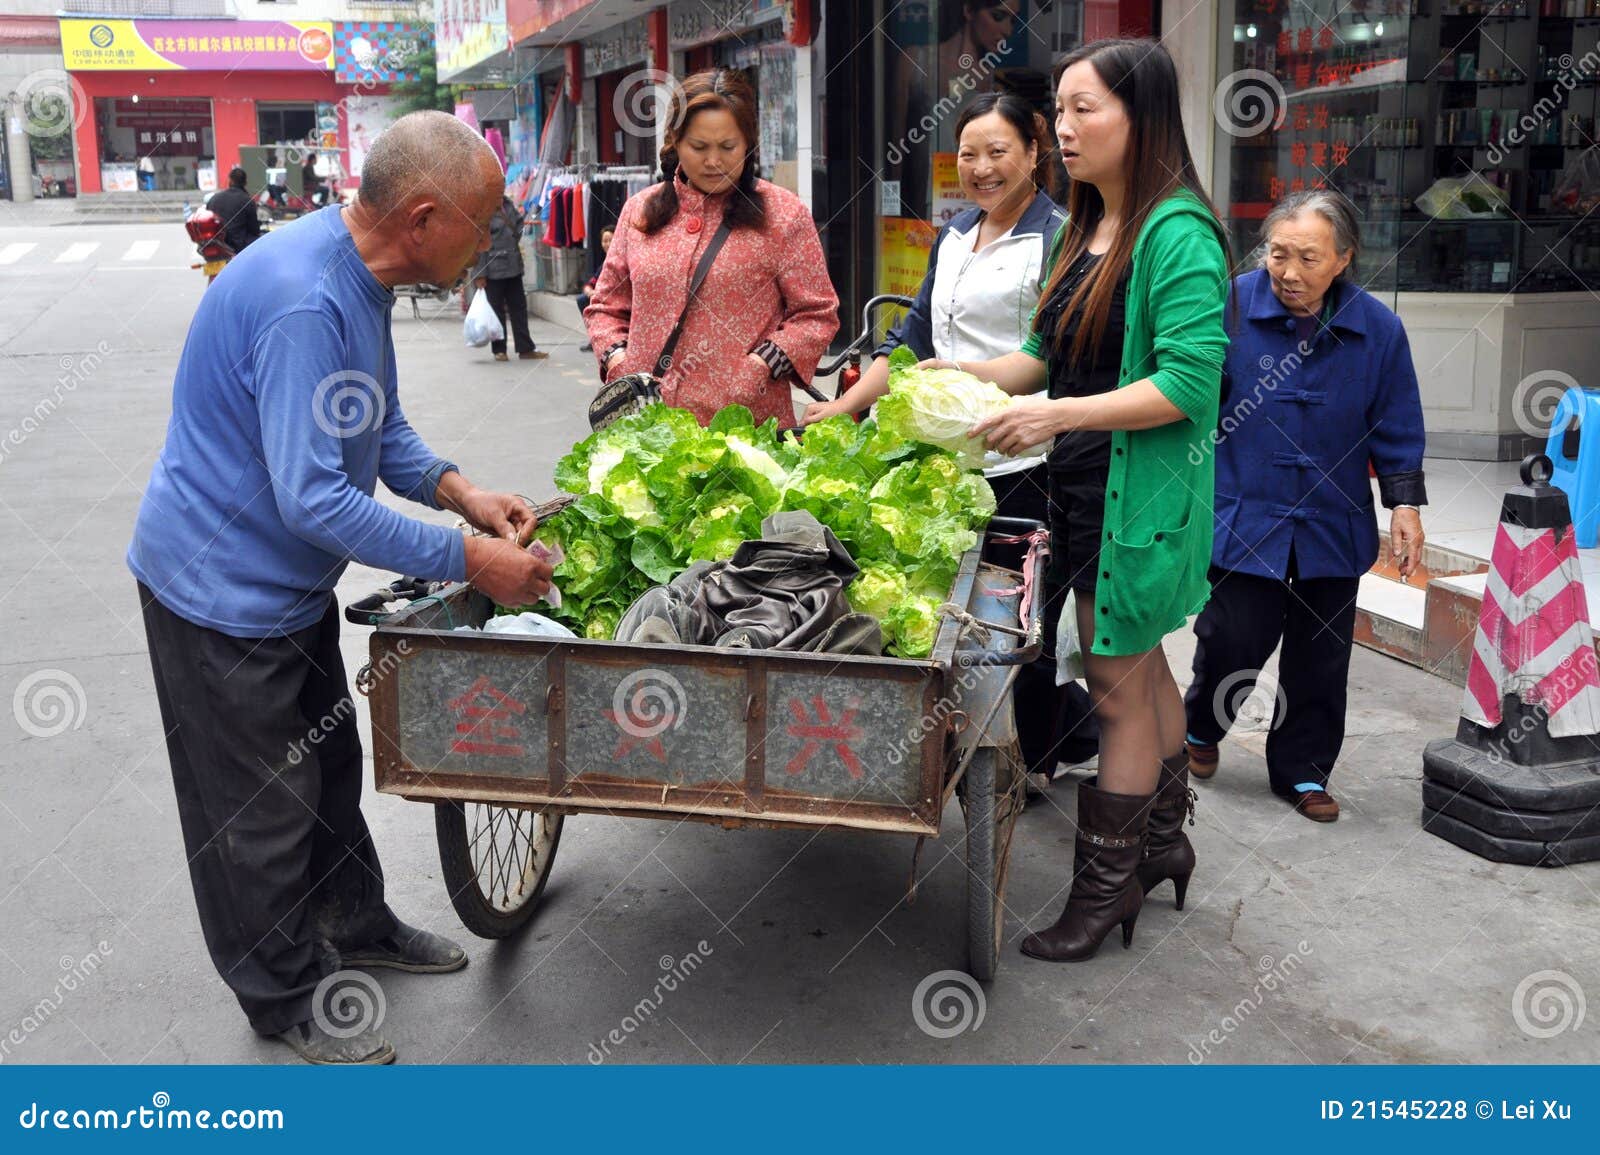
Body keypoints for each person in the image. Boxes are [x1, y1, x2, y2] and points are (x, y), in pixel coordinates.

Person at [127, 111, 553, 1065]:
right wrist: (468, 558)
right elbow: (315, 498)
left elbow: (377, 423)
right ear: (424, 216)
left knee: (323, 777)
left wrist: (460, 490)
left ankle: (356, 921)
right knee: (258, 815)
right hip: (217, 597)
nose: (489, 243)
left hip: (283, 591)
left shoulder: (361, 277)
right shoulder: (306, 301)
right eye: (481, 224)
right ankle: (282, 993)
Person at [956, 39, 1232, 962]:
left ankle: (1103, 892)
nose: (1062, 130)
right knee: (1142, 671)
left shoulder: (1177, 232)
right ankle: (1162, 843)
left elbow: (1189, 382)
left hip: (1136, 494)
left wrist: (1055, 416)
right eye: (1060, 113)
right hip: (1081, 488)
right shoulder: (1091, 223)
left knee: (1114, 692)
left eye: (1085, 111)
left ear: (1140, 116)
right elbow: (1042, 354)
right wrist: (947, 382)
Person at [801, 92, 1095, 779]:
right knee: (947, 608)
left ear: (1034, 151)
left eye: (999, 152)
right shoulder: (956, 232)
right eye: (969, 154)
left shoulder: (1059, 238)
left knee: (1018, 618)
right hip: (943, 460)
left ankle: (1034, 755)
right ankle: (964, 746)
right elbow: (911, 340)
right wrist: (848, 407)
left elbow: (1056, 355)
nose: (982, 168)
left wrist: (967, 376)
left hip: (1024, 457)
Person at [1183, 190, 1427, 823]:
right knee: (1233, 635)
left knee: (1322, 655)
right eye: (1277, 253)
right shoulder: (1230, 304)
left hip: (1332, 517)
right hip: (1246, 508)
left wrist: (1403, 505)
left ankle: (1303, 769)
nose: (1288, 271)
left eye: (1308, 258)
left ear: (1344, 258)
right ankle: (1201, 730)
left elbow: (1395, 420)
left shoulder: (1379, 329)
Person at [584, 69, 839, 426]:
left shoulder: (783, 214)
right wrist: (617, 358)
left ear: (748, 144)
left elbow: (816, 314)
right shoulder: (638, 212)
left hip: (748, 429)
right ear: (675, 141)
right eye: (699, 147)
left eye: (728, 147)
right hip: (648, 429)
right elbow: (606, 306)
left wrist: (760, 365)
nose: (714, 161)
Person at [473, 195, 545, 362]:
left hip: (513, 265)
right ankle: (499, 350)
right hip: (492, 269)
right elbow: (479, 243)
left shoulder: (508, 204)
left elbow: (519, 225)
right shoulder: (483, 208)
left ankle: (525, 348)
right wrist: (480, 273)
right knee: (496, 311)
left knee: (519, 308)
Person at [205, 165, 263, 255]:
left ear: (230, 180)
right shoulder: (247, 200)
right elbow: (254, 230)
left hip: (216, 243)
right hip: (238, 245)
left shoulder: (214, 198)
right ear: (245, 182)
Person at [577, 226, 614, 352]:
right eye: (605, 241)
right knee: (582, 300)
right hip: (601, 296)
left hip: (615, 298)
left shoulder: (620, 261)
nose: (607, 244)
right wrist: (589, 290)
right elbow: (591, 282)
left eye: (611, 240)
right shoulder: (604, 263)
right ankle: (594, 338)